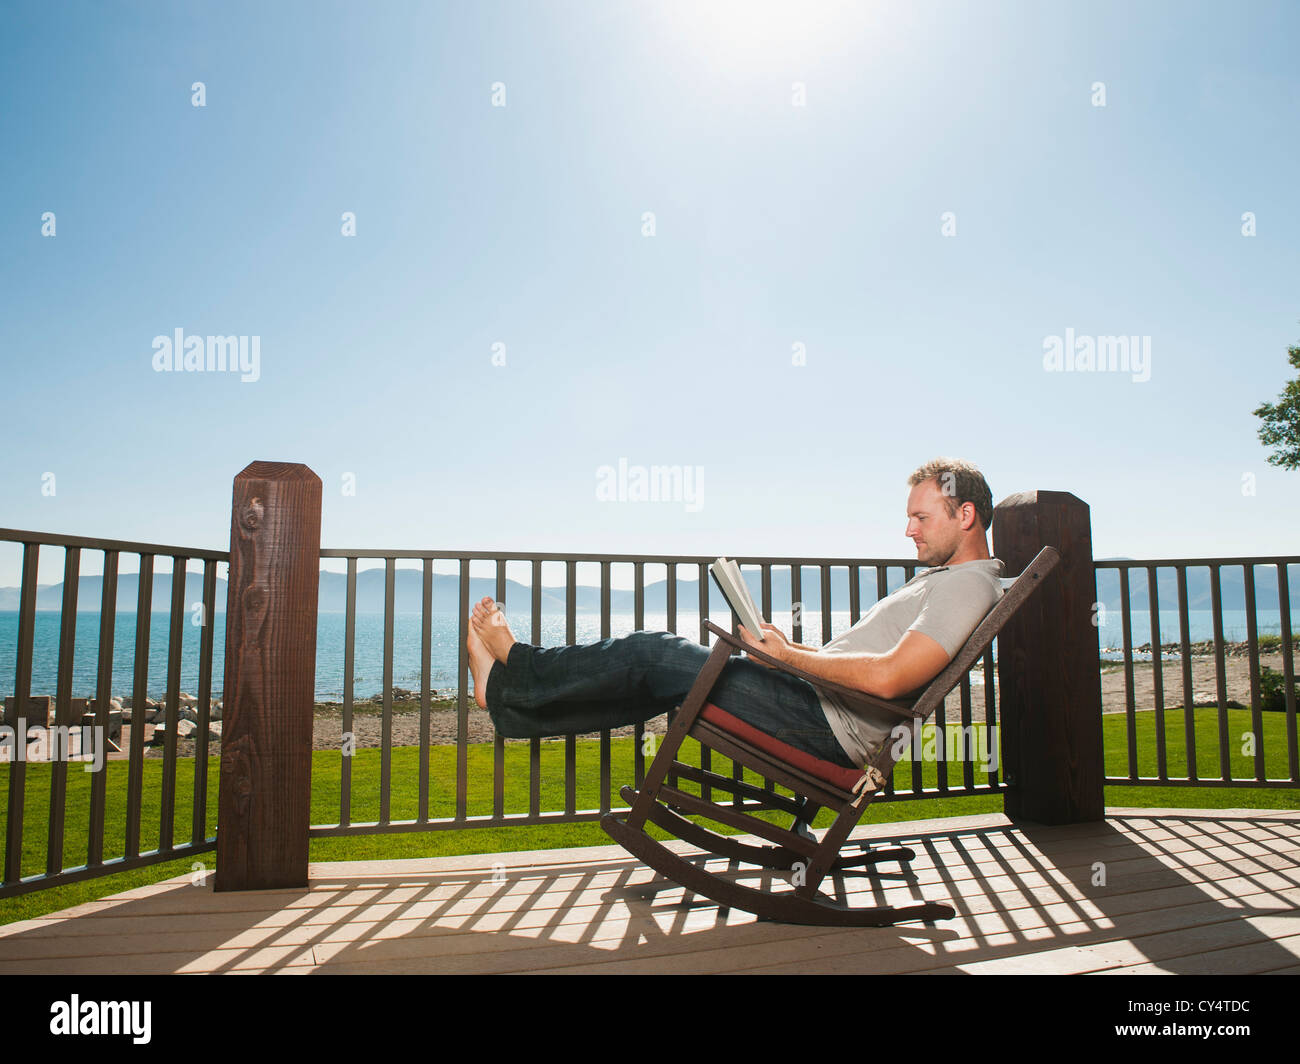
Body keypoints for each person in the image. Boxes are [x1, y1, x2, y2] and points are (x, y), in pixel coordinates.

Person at [466, 457, 1005, 774]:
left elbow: (890, 678)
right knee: (656, 677)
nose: (908, 531)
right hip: (817, 704)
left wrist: (791, 657)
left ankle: (517, 662)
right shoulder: (946, 581)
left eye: (920, 517)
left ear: (965, 515)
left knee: (654, 652)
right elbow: (873, 662)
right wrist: (786, 655)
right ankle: (505, 698)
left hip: (826, 727)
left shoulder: (964, 588)